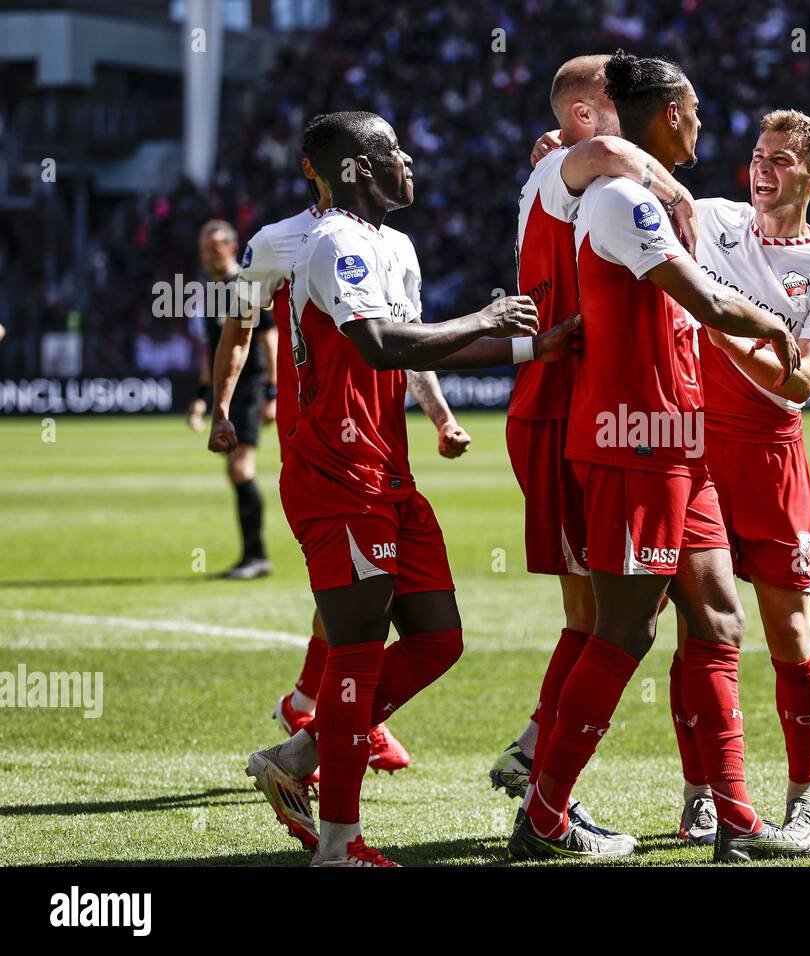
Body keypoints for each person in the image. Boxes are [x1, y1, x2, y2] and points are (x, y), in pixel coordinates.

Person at [506, 51, 810, 863]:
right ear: (669, 113)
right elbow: (708, 300)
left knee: (720, 616)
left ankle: (735, 815)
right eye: (695, 111)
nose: (703, 126)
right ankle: (543, 813)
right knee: (622, 630)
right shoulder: (617, 200)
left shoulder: (647, 195)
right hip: (629, 439)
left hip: (681, 441)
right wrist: (777, 326)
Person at [243, 110, 577, 867]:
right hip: (337, 473)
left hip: (387, 471)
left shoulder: (393, 244)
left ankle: (299, 756)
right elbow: (376, 342)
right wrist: (489, 315)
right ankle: (338, 843)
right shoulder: (331, 242)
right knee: (357, 653)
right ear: (359, 168)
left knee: (437, 638)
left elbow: (421, 345)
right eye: (395, 150)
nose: (410, 161)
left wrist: (530, 345)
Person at [209, 135, 471, 780]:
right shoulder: (281, 242)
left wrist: (440, 416)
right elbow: (240, 324)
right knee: (360, 610)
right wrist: (221, 406)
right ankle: (333, 730)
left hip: (382, 451)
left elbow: (407, 341)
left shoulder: (391, 242)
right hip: (324, 448)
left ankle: (312, 710)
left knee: (367, 608)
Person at [488, 54, 699, 844]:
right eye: (618, 104)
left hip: (576, 408)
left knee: (599, 614)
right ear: (585, 114)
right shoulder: (569, 175)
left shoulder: (566, 176)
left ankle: (541, 764)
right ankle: (546, 790)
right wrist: (673, 190)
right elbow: (610, 154)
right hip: (558, 410)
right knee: (602, 616)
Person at [672, 109, 810, 847]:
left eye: (781, 159)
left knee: (788, 629)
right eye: (757, 154)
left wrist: (718, 319)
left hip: (769, 452)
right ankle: (701, 794)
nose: (763, 167)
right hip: (692, 448)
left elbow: (801, 381)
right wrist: (571, 150)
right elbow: (644, 185)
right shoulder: (713, 218)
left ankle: (804, 802)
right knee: (698, 632)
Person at [188, 220, 276, 579]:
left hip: (253, 384)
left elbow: (269, 339)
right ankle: (253, 557)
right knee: (234, 469)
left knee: (240, 468)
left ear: (230, 246)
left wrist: (274, 392)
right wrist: (202, 397)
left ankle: (256, 557)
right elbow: (215, 353)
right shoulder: (211, 292)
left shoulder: (246, 284)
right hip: (230, 389)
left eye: (214, 246)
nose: (208, 253)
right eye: (204, 247)